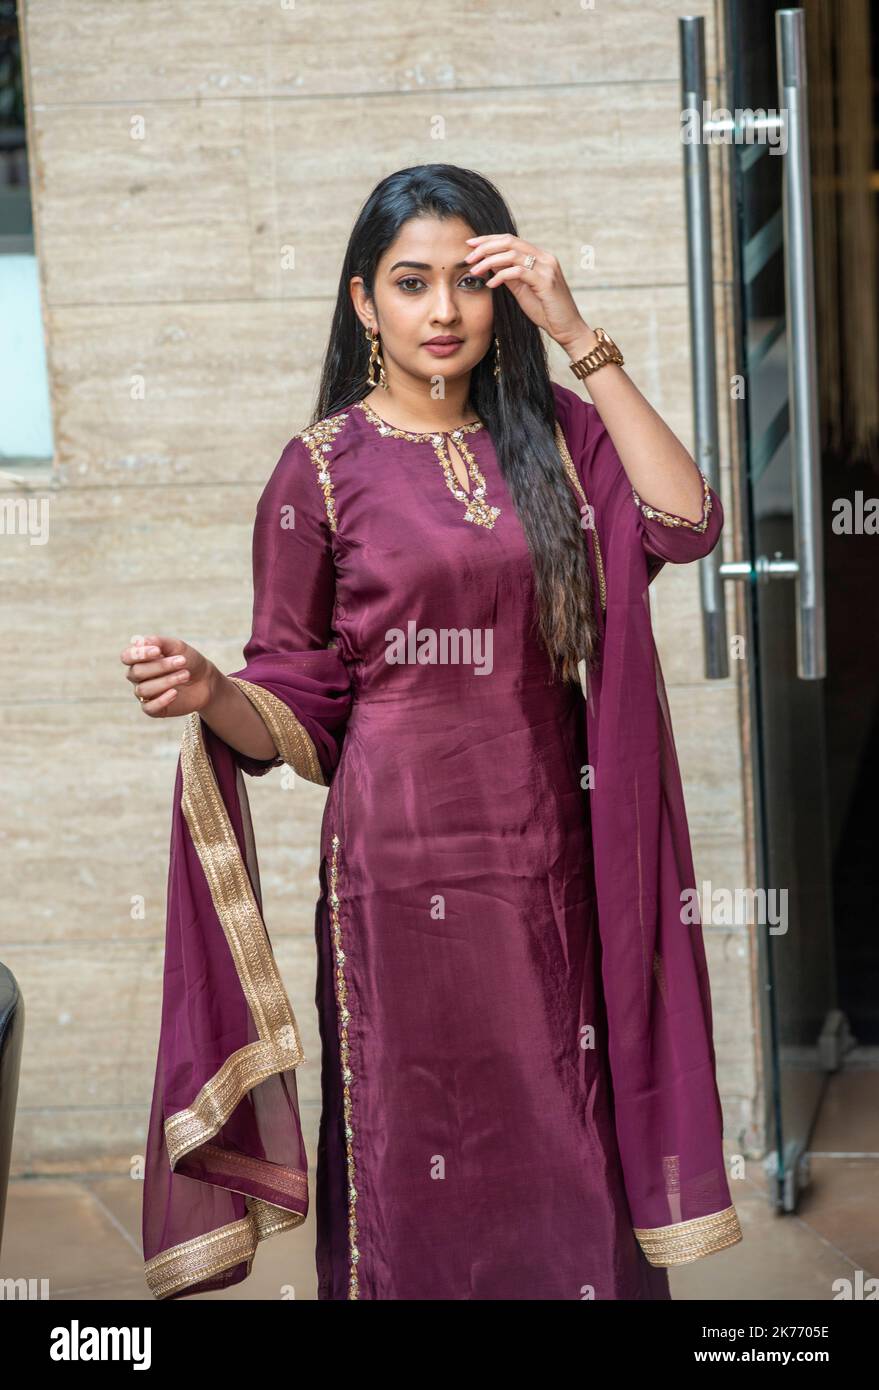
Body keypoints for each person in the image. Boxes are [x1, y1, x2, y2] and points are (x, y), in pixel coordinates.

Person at [123, 164, 742, 1301]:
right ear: (365, 303)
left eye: (470, 281)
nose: (444, 311)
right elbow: (297, 710)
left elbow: (686, 521)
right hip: (398, 888)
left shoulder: (555, 436)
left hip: (558, 866)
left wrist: (578, 335)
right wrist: (213, 688)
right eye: (413, 284)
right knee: (414, 1160)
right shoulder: (319, 471)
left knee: (572, 1141)